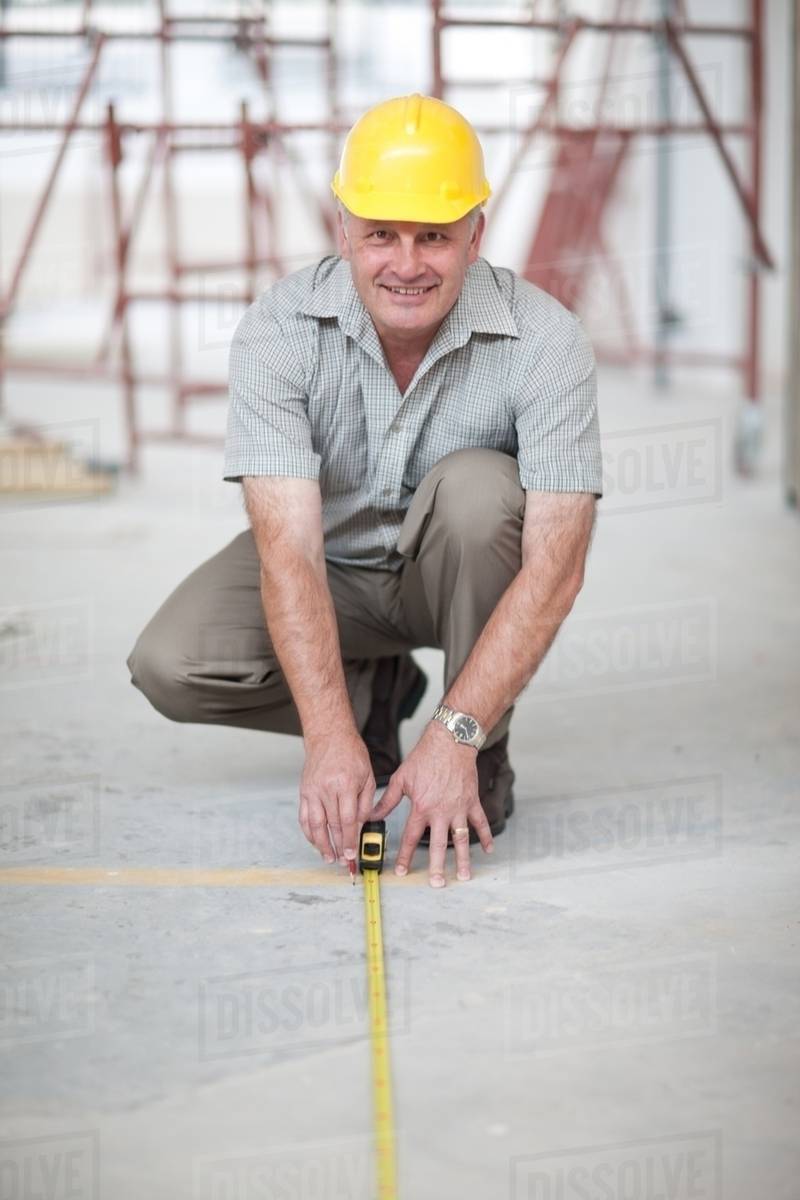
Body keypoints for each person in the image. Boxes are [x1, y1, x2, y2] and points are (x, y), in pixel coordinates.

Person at [126, 93, 602, 889]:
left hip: (453, 582)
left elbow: (557, 566)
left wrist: (454, 735)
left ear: (476, 234)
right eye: (381, 233)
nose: (406, 265)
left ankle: (475, 746)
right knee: (170, 663)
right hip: (333, 573)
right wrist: (329, 734)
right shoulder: (279, 333)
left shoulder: (546, 340)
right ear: (343, 228)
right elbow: (288, 550)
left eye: (434, 236)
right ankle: (371, 698)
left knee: (480, 494)